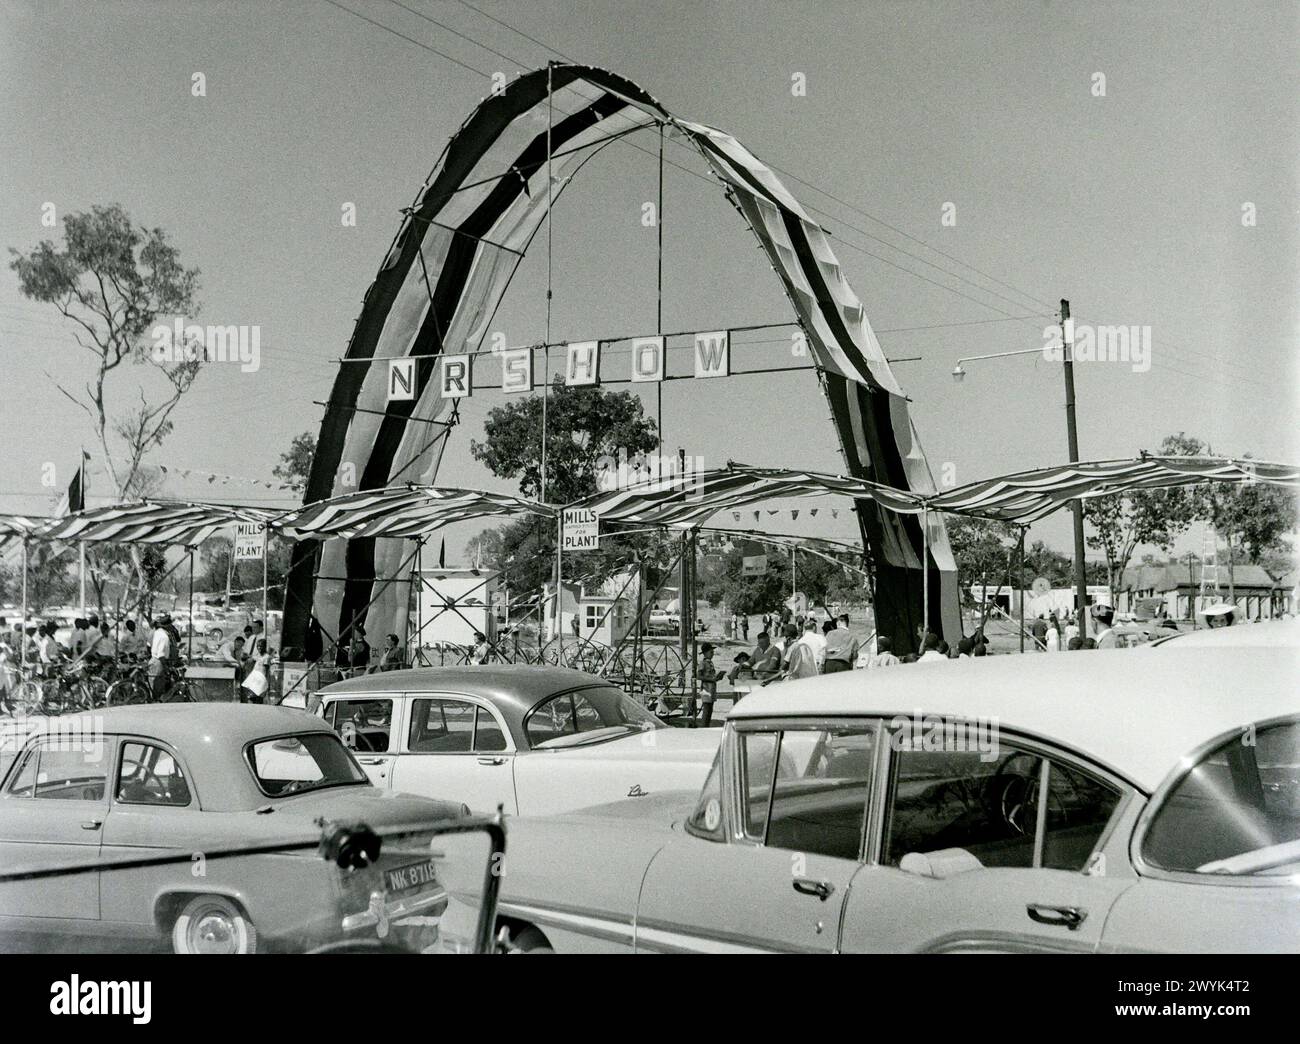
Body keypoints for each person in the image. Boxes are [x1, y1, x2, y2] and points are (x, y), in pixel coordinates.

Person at [148, 614, 173, 701]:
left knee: (152, 685)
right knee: (157, 687)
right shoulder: (164, 637)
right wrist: (166, 667)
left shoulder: (157, 633)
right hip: (158, 662)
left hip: (153, 660)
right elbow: (161, 654)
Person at [697, 643, 721, 727]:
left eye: (712, 652)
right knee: (706, 709)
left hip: (712, 688)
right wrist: (711, 679)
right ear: (705, 653)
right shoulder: (703, 663)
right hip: (706, 689)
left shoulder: (710, 663)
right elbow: (699, 676)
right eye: (711, 652)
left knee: (710, 708)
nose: (712, 654)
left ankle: (706, 725)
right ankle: (704, 726)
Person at [240, 638, 270, 704]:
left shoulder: (266, 657)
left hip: (261, 679)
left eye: (261, 646)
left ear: (264, 647)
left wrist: (266, 682)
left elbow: (266, 670)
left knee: (258, 697)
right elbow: (251, 657)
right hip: (254, 678)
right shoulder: (258, 655)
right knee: (251, 696)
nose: (259, 648)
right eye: (258, 646)